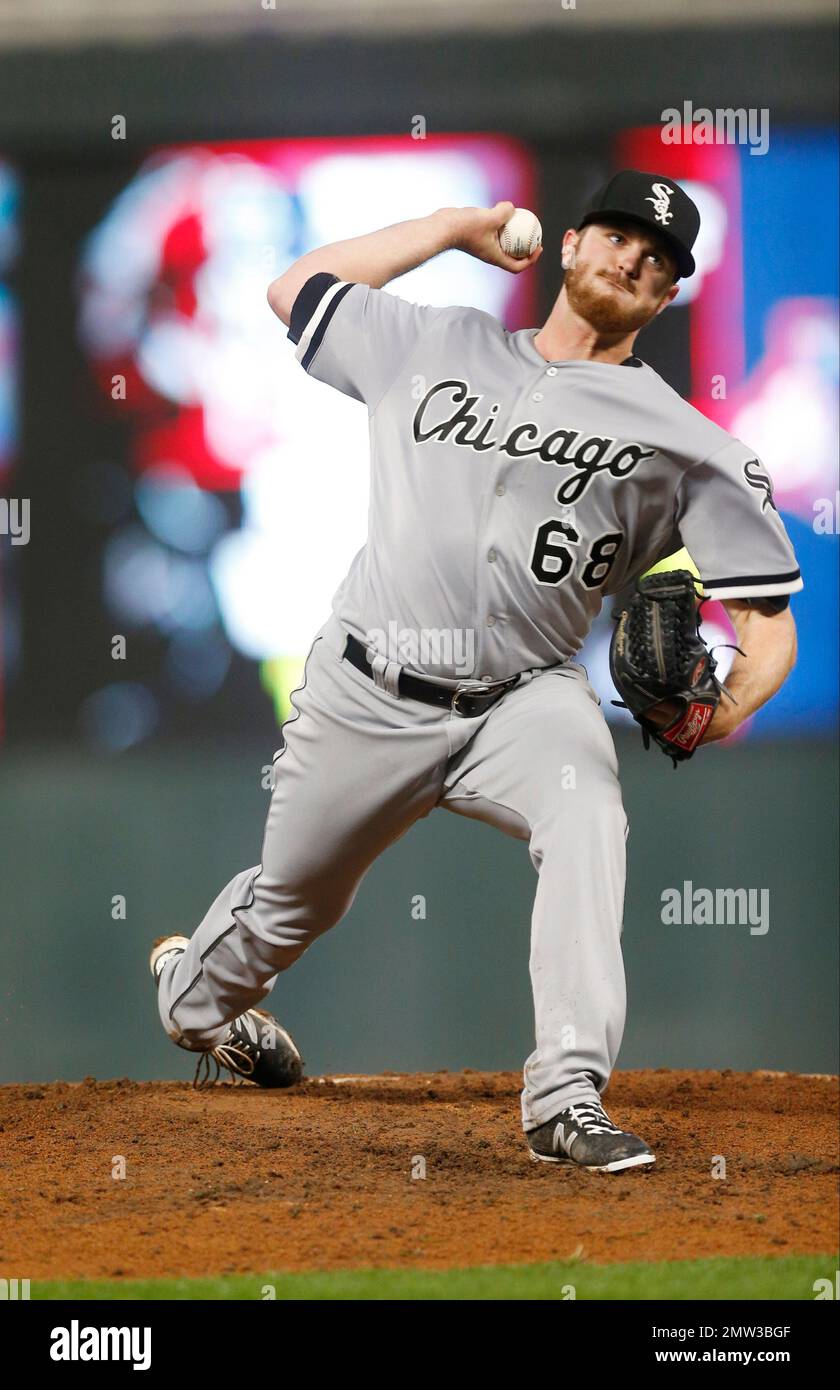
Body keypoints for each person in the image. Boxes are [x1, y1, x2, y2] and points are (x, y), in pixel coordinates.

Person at [151, 170, 800, 1172]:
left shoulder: (688, 442)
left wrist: (716, 717)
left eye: (659, 258)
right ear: (570, 244)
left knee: (590, 810)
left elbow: (766, 628)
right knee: (294, 903)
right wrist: (456, 227)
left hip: (525, 697)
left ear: (667, 296)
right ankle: (198, 1001)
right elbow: (295, 288)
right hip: (370, 685)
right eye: (622, 235)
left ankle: (565, 1095)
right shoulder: (431, 342)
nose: (636, 257)